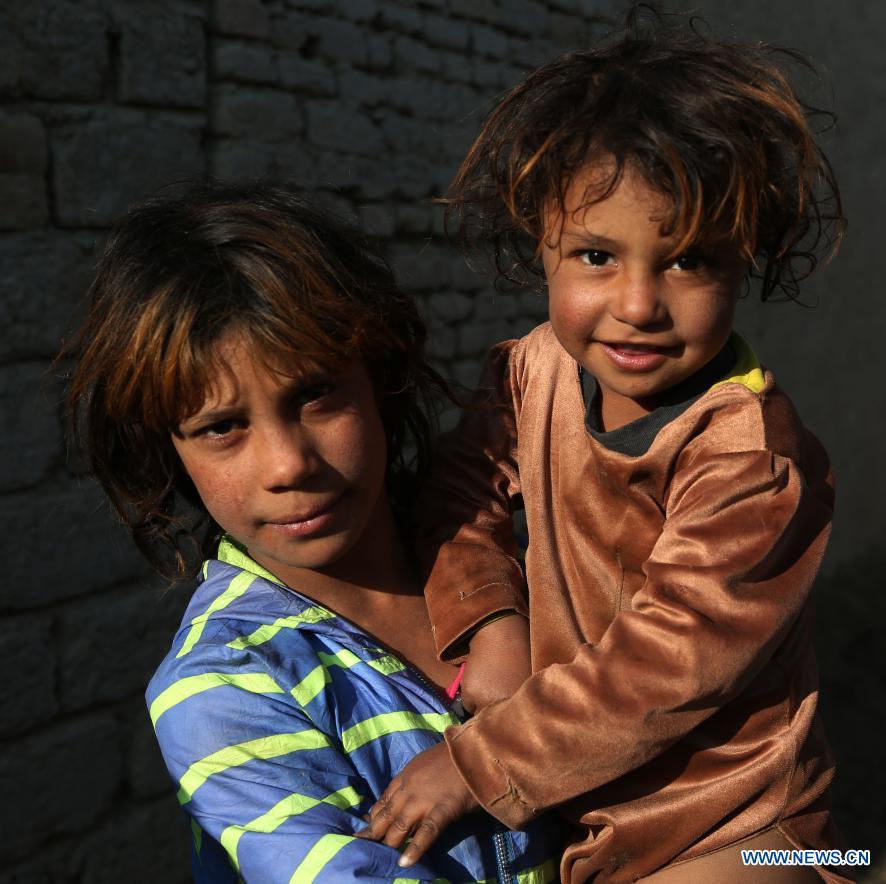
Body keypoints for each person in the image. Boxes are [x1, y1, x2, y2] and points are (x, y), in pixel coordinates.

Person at [358, 10, 851, 883]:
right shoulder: (527, 372)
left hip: (739, 822)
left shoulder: (749, 461)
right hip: (583, 806)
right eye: (594, 254)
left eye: (688, 260)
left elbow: (664, 665)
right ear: (538, 241)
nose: (637, 303)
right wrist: (494, 623)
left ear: (748, 260)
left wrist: (481, 761)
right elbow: (460, 492)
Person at [63, 182, 559, 882]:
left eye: (316, 395)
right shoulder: (225, 688)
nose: (289, 463)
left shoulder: (524, 551)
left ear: (379, 378)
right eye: (221, 428)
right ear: (165, 451)